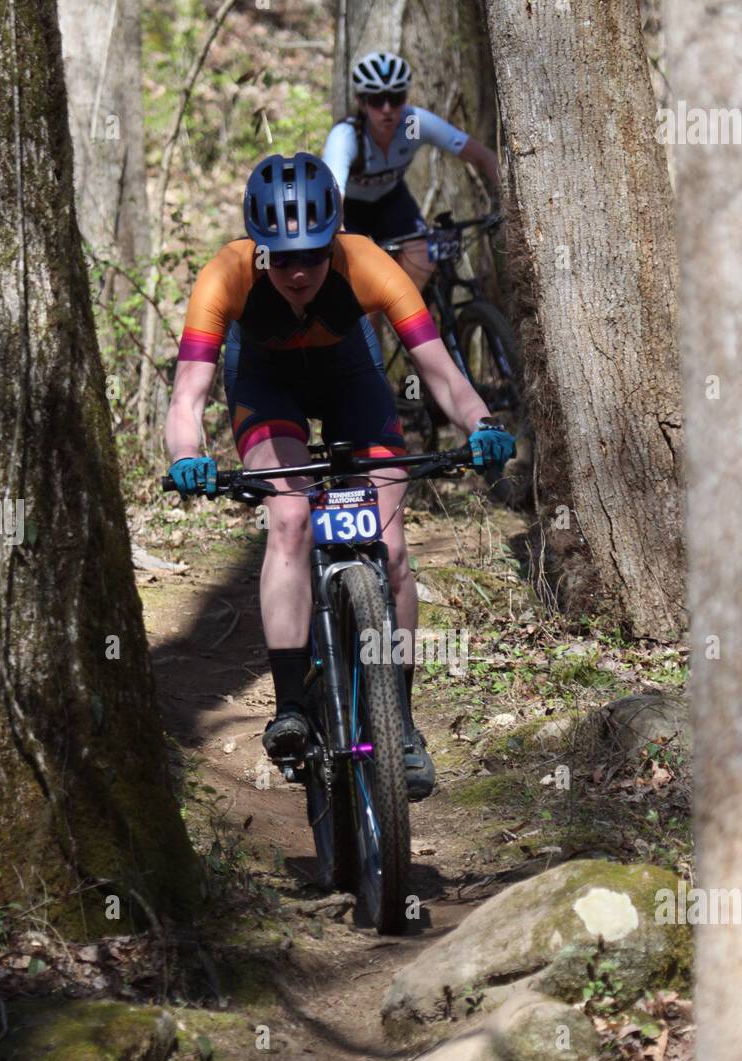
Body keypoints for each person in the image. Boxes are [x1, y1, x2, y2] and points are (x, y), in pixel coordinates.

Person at [165, 153, 514, 801]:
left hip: (351, 382)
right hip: (266, 388)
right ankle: (293, 705)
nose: (298, 271)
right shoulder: (226, 274)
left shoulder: (369, 264)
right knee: (292, 519)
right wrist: (188, 455)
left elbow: (440, 370)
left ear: (335, 242)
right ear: (257, 248)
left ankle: (400, 724)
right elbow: (188, 394)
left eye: (313, 255)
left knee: (394, 548)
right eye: (281, 256)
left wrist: (482, 424)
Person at [322, 50, 499, 291]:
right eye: (376, 99)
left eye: (395, 98)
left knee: (422, 261)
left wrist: (511, 202)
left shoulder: (412, 125)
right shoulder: (347, 137)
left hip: (391, 200)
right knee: (363, 288)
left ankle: (404, 323)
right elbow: (333, 198)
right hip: (350, 209)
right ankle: (371, 322)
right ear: (362, 102)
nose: (387, 109)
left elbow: (483, 157)